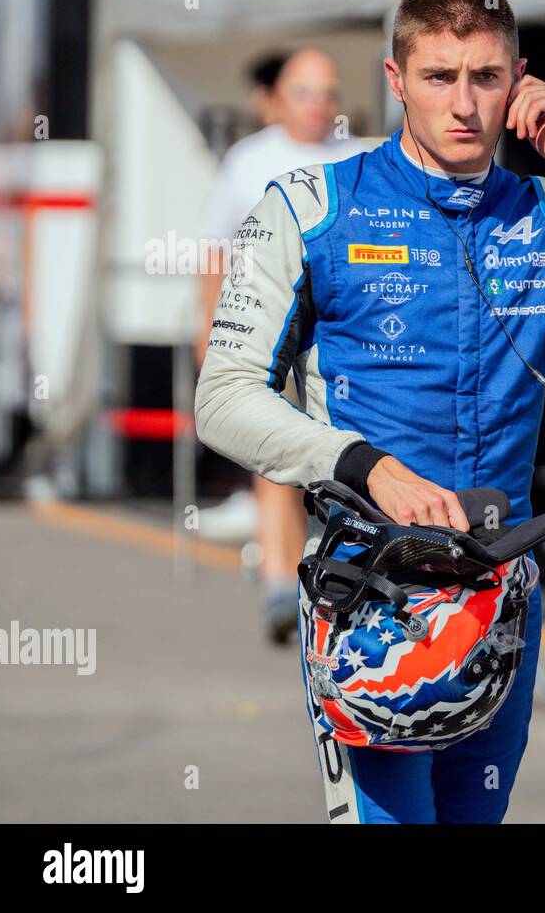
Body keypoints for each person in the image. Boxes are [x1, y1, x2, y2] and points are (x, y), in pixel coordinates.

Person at [194, 0, 545, 823]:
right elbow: (221, 397)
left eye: (486, 76)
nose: (464, 104)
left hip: (499, 593)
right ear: (396, 82)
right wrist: (367, 467)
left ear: (520, 81)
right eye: (439, 77)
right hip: (373, 597)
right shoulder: (313, 207)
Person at [196, 48, 372, 644]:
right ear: (278, 98)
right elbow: (213, 254)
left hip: (335, 340)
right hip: (270, 331)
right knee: (278, 459)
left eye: (328, 92)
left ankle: (326, 578)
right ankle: (279, 580)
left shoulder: (352, 158)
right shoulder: (250, 161)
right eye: (305, 91)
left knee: (335, 460)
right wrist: (208, 334)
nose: (319, 105)